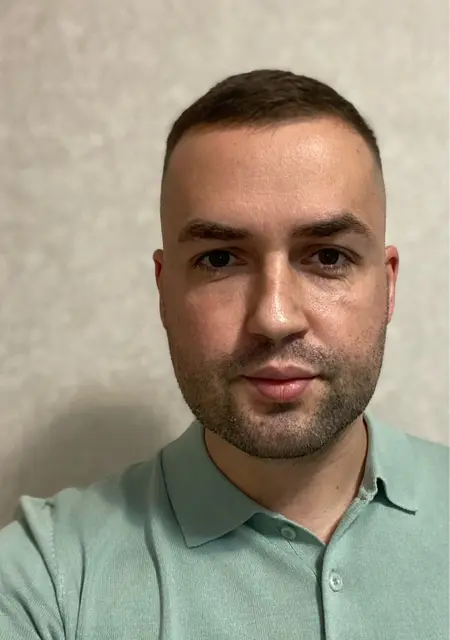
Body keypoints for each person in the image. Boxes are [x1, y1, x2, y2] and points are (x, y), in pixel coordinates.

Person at [0, 69, 448, 640]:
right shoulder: (46, 579)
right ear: (164, 291)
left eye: (328, 257)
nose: (274, 317)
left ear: (388, 286)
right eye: (219, 260)